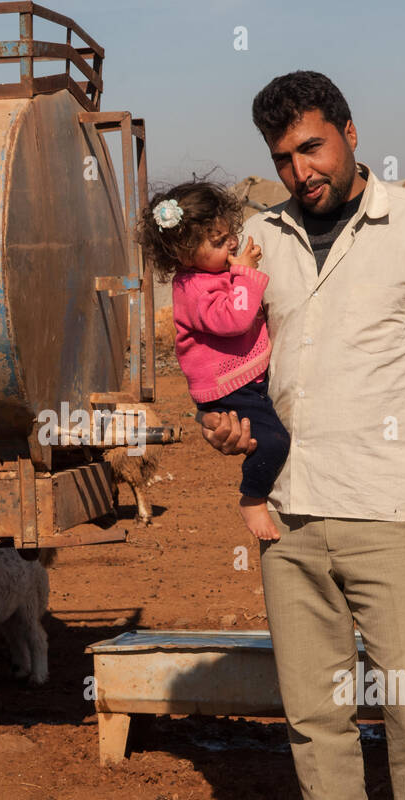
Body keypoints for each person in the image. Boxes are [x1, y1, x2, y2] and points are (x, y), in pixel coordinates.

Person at [199, 71, 405, 800]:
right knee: (315, 719)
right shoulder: (257, 242)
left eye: (312, 147)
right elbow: (231, 365)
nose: (302, 171)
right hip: (289, 516)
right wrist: (224, 427)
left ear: (352, 133)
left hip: (393, 513)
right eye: (283, 157)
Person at [135, 182, 290, 540]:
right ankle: (252, 497)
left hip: (238, 380)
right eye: (219, 243)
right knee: (272, 440)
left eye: (230, 234)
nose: (233, 244)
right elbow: (234, 319)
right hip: (228, 387)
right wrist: (246, 273)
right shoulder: (192, 288)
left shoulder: (209, 276)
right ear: (183, 253)